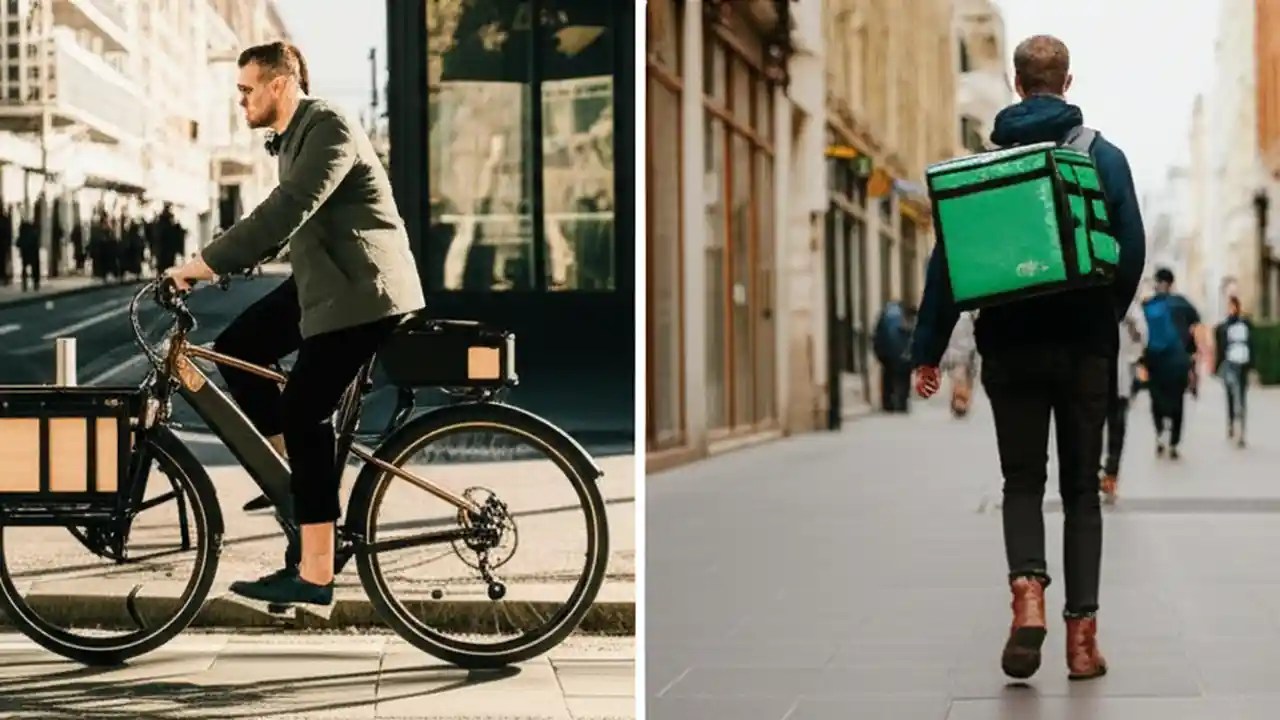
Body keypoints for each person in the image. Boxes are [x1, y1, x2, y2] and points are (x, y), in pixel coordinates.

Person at [910, 35, 1145, 681]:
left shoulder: (986, 165)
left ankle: (1028, 595)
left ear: (1016, 85)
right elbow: (1130, 250)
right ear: (1067, 83)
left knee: (1021, 482)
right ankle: (1081, 643)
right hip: (1084, 353)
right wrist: (1100, 319)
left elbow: (949, 265)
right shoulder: (1105, 157)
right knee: (1080, 493)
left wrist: (928, 350)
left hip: (1010, 350)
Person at [164, 41, 426, 607]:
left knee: (305, 409)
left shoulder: (328, 126)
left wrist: (202, 265)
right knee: (241, 346)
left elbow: (288, 209)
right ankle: (293, 478)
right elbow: (292, 225)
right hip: (327, 281)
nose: (241, 101)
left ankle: (315, 571)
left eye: (246, 89)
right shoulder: (295, 138)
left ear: (278, 85)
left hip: (364, 292)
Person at [1140, 268, 1201, 459]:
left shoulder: (1148, 305)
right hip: (1178, 360)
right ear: (1172, 283)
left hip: (1155, 360)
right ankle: (1174, 441)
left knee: (1156, 398)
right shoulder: (1182, 303)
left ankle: (1160, 433)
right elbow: (1195, 322)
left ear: (1157, 283)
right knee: (1177, 401)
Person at [1099, 300, 1147, 502]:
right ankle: (1103, 473)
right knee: (1105, 427)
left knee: (1114, 427)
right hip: (1102, 375)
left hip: (1115, 377)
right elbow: (1142, 340)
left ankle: (1110, 474)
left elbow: (1141, 337)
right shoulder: (1129, 304)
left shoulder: (1130, 307)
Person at [1214, 295, 1255, 447]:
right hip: (1229, 363)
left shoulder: (1246, 324)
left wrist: (1252, 365)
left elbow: (1252, 345)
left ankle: (1241, 430)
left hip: (1243, 362)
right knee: (1231, 396)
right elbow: (1220, 349)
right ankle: (1232, 424)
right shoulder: (1223, 327)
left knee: (1241, 397)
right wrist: (1217, 367)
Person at [872, 300, 914, 412]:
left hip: (887, 353)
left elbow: (877, 336)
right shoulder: (901, 319)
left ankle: (888, 402)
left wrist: (879, 353)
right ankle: (902, 402)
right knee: (904, 377)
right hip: (901, 353)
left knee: (888, 377)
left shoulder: (887, 316)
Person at [940, 311, 979, 418]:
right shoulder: (966, 321)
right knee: (961, 379)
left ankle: (961, 399)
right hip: (961, 356)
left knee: (960, 379)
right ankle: (961, 400)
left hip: (960, 356)